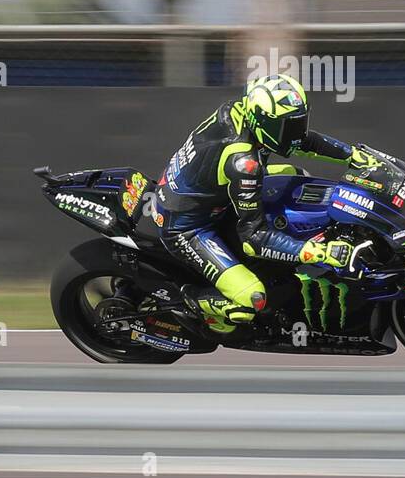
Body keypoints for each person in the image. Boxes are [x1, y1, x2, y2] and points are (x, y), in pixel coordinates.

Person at [153, 74, 383, 334]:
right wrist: (318, 252)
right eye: (288, 126)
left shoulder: (243, 111)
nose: (296, 132)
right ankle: (191, 299)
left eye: (299, 122)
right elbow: (254, 239)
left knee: (296, 175)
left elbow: (302, 141)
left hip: (213, 195)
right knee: (251, 300)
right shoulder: (243, 162)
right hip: (188, 226)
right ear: (263, 122)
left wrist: (351, 155)